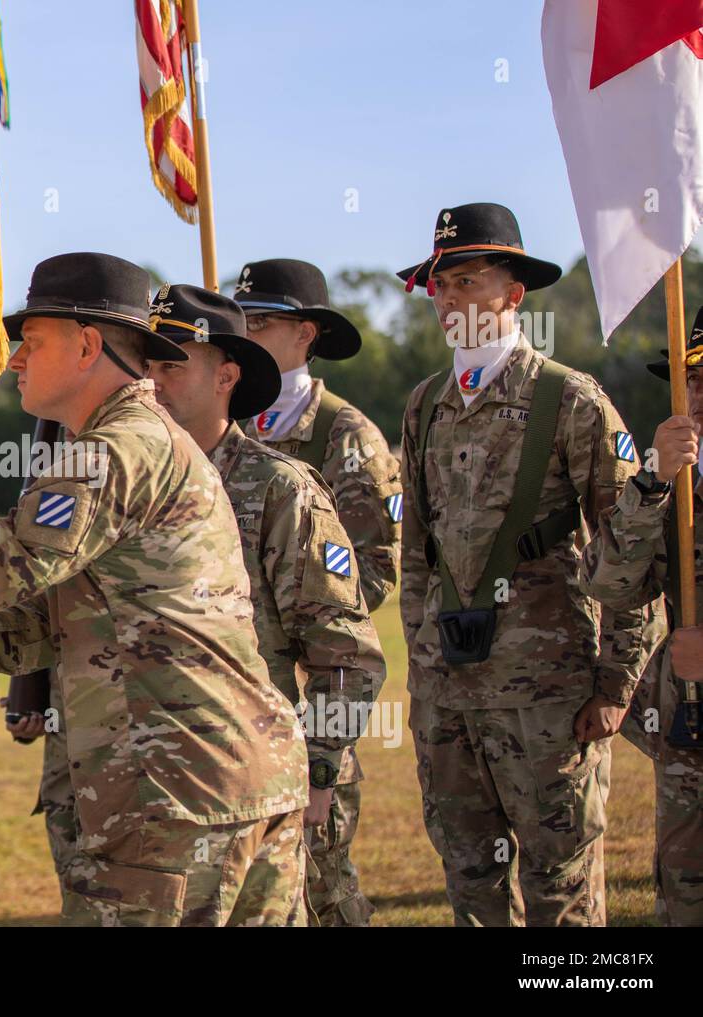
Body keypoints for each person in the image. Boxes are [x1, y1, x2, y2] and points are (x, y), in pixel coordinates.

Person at [0, 252, 310, 926]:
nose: (16, 360)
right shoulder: (141, 441)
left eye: (32, 340)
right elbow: (58, 622)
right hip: (230, 780)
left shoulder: (110, 451)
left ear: (87, 345)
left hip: (175, 796)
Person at [397, 202, 653, 926]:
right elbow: (419, 553)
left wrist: (615, 680)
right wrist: (422, 672)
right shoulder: (424, 406)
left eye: (467, 280)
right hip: (449, 694)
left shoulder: (570, 400)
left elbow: (632, 550)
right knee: (470, 885)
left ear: (513, 295)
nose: (448, 299)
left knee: (560, 892)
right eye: (439, 284)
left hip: (549, 698)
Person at [144, 283, 387, 925]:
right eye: (147, 365)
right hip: (164, 778)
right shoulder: (132, 484)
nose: (154, 381)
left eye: (172, 364)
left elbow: (346, 653)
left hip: (268, 776)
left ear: (226, 375)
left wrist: (321, 768)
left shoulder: (278, 489)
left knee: (325, 903)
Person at [232, 258, 400, 925]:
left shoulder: (344, 434)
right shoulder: (224, 425)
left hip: (311, 688)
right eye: (239, 320)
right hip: (238, 687)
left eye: (262, 322)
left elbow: (375, 570)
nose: (245, 332)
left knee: (323, 886)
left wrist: (290, 604)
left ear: (305, 334)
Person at [579, 317, 703, 926]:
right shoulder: (671, 487)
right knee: (684, 890)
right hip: (690, 725)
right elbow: (610, 583)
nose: (699, 396)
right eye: (691, 380)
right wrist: (651, 485)